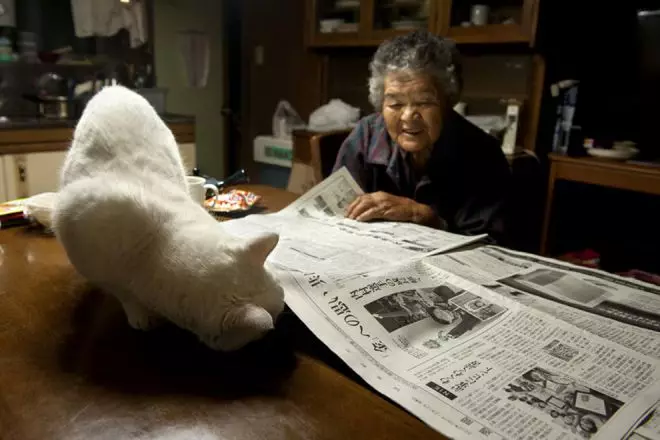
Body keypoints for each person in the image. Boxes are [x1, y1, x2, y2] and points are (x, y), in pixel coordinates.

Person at [333, 31, 511, 242]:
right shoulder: (366, 135)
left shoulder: (482, 153)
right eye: (395, 104)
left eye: (424, 102)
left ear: (447, 102)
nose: (408, 116)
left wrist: (424, 216)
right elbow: (335, 215)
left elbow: (490, 247)